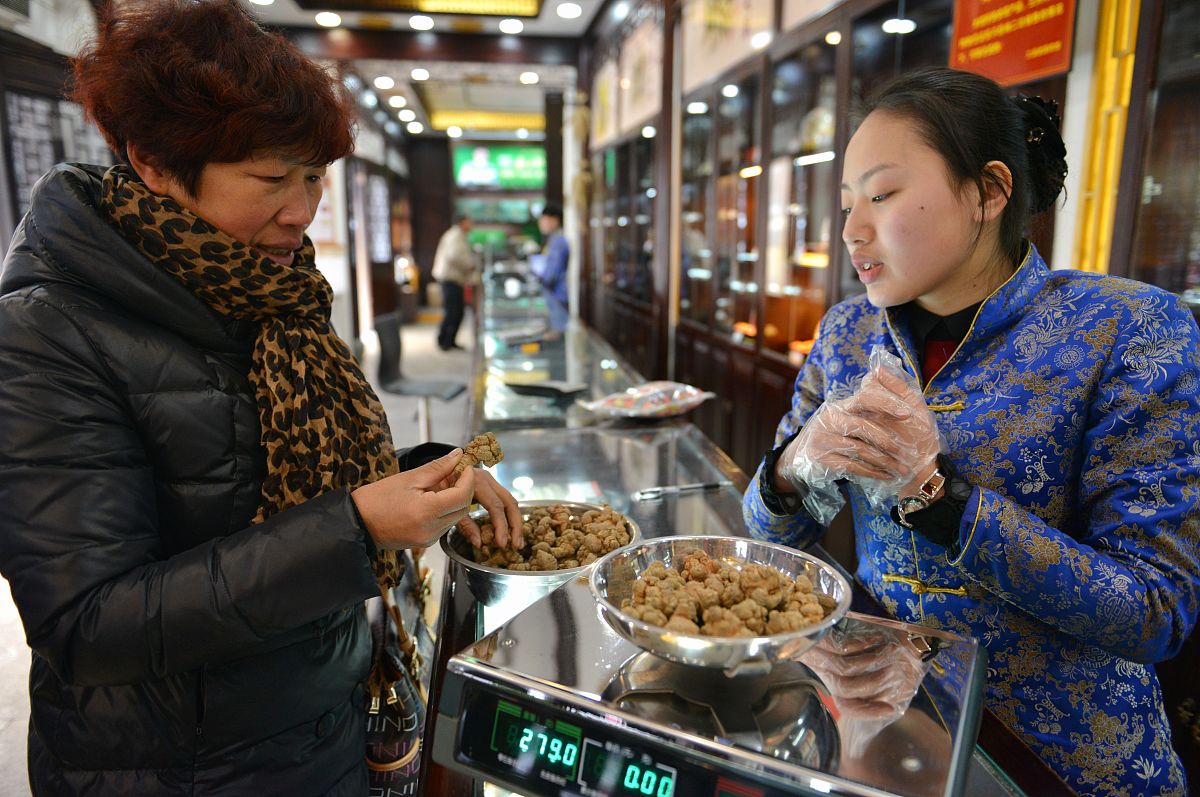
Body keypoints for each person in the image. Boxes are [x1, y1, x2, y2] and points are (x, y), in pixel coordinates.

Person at [0, 1, 523, 793]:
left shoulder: (271, 289)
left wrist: (418, 475)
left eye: (313, 176)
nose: (302, 211)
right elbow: (86, 625)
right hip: (186, 768)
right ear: (153, 162)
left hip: (324, 720)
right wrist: (354, 528)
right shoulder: (49, 331)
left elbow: (280, 485)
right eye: (272, 178)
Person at [743, 66, 1199, 796]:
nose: (852, 230)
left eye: (882, 195)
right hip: (889, 731)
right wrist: (795, 465)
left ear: (989, 190)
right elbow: (771, 537)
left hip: (1055, 758)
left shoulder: (1129, 329)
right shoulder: (849, 331)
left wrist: (941, 498)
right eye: (848, 202)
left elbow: (1155, 610)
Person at [432, 212, 476, 351]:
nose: (471, 225)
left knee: (457, 312)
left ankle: (449, 341)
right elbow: (455, 256)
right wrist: (470, 264)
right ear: (462, 222)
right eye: (469, 222)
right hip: (449, 279)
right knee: (452, 311)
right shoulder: (455, 235)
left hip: (454, 279)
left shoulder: (458, 235)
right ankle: (443, 341)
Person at [537, 203, 570, 340]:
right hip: (555, 297)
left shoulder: (558, 242)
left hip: (558, 298)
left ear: (555, 220)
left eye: (543, 219)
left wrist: (539, 281)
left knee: (558, 335)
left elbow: (551, 274)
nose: (540, 223)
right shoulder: (554, 240)